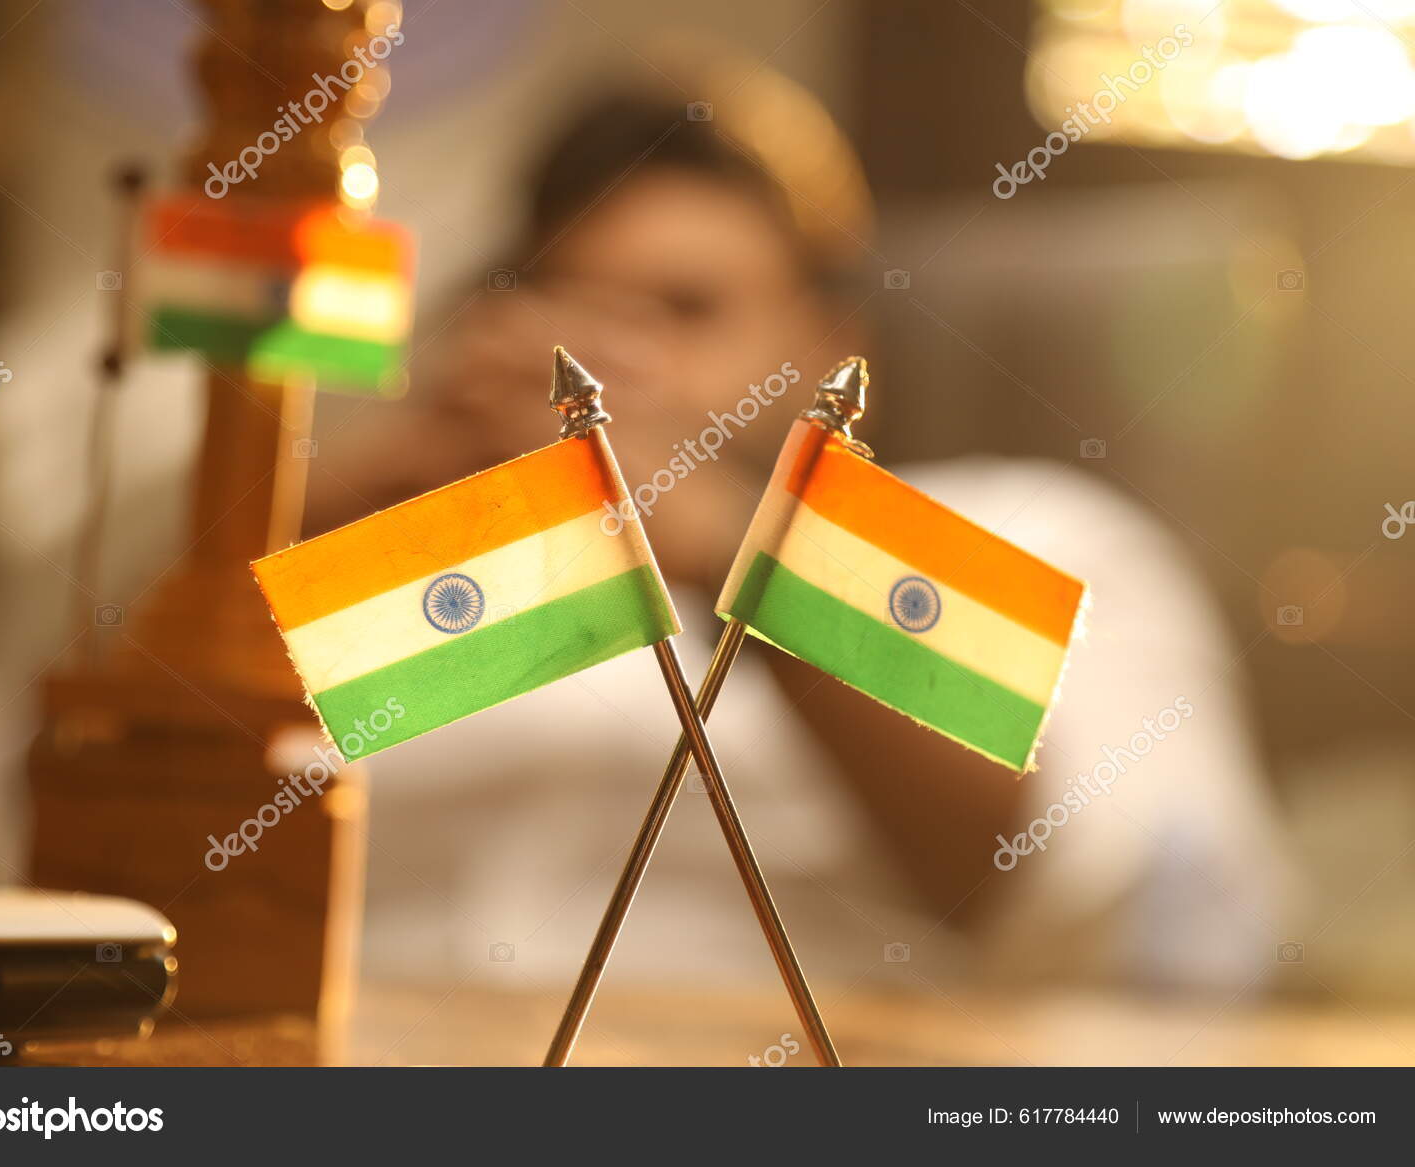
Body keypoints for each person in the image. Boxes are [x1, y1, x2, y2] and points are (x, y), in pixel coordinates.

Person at [313, 75, 1296, 998]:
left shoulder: (1033, 529)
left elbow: (1146, 917)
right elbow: (223, 816)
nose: (603, 363)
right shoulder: (414, 577)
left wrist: (737, 548)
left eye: (685, 309)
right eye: (565, 307)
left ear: (831, 346)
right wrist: (375, 493)